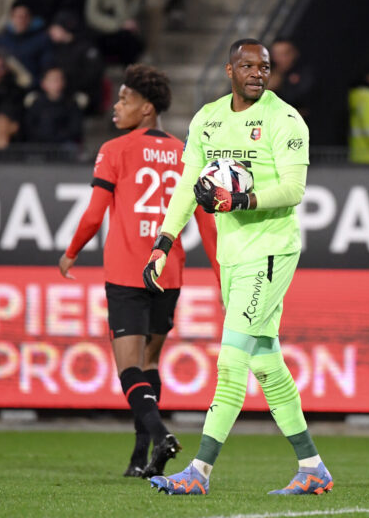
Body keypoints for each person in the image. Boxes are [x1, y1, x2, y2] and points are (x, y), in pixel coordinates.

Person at [143, 39, 333, 496]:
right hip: (233, 255)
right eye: (247, 66)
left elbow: (293, 188)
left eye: (264, 67)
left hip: (269, 251)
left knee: (231, 361)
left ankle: (199, 472)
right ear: (230, 69)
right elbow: (188, 185)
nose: (257, 73)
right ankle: (312, 467)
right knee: (266, 363)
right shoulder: (207, 119)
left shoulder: (285, 120)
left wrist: (239, 199)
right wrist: (163, 242)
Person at [58, 63, 219, 478]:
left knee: (128, 369)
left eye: (125, 99)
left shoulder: (115, 150)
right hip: (170, 273)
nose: (116, 105)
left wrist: (71, 251)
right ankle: (139, 459)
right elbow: (208, 225)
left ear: (147, 108)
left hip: (129, 271)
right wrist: (224, 278)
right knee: (150, 364)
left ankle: (161, 436)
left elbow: (94, 215)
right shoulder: (188, 152)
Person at [47, 10, 104, 114]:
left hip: (84, 94)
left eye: (55, 28)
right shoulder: (56, 49)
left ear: (64, 28)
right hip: (63, 92)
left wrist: (71, 86)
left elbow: (94, 73)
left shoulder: (86, 47)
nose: (50, 31)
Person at [0, 0, 53, 83]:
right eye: (18, 16)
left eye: (25, 17)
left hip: (31, 86)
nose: (21, 21)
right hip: (5, 87)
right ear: (12, 17)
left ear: (31, 18)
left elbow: (46, 68)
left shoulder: (42, 41)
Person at [23, 66, 82, 146]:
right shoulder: (36, 103)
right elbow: (29, 127)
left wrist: (57, 138)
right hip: (39, 145)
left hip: (63, 145)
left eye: (59, 79)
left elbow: (75, 129)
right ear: (43, 83)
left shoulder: (71, 103)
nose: (57, 82)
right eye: (53, 80)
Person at [268, 38, 314, 120]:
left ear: (295, 53)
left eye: (285, 54)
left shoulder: (305, 75)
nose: (280, 59)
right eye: (276, 54)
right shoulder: (268, 72)